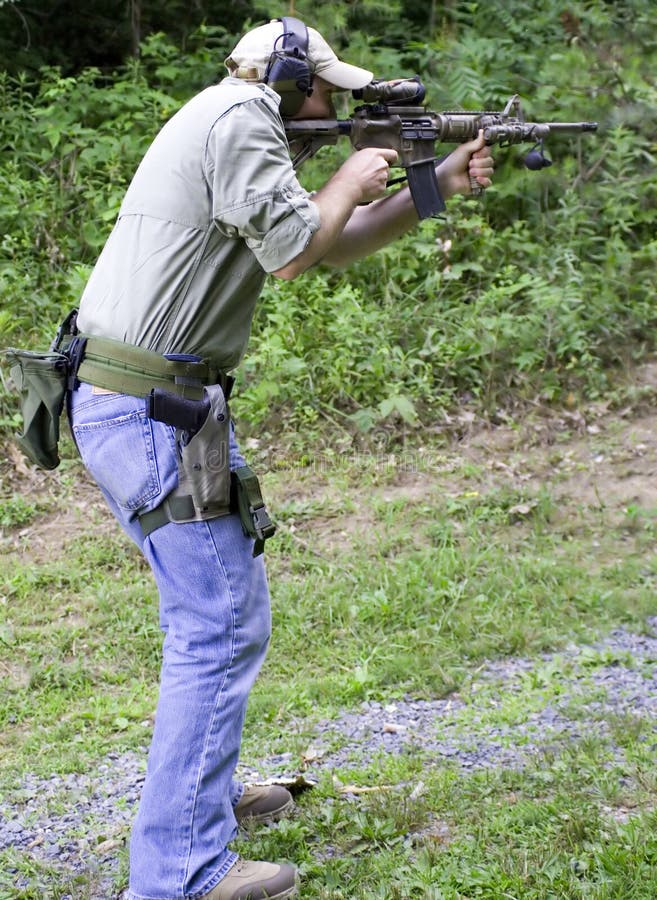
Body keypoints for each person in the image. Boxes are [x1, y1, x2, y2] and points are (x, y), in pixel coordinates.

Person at [66, 16, 494, 900]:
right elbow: (299, 252)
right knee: (218, 624)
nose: (333, 104)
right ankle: (181, 872)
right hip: (148, 409)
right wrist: (347, 170)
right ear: (290, 74)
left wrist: (433, 184)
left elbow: (324, 240)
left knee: (212, 615)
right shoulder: (241, 121)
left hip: (138, 402)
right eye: (327, 89)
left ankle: (202, 806)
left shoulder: (229, 119)